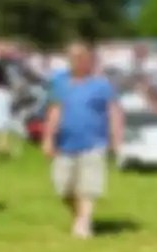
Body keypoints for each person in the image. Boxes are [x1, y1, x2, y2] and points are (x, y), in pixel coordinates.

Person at [42, 42, 123, 239]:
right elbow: (54, 111)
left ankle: (83, 222)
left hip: (93, 143)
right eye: (73, 58)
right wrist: (48, 138)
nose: (78, 62)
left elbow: (114, 112)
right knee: (64, 188)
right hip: (65, 144)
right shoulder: (59, 82)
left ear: (89, 61)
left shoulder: (101, 85)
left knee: (88, 186)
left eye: (82, 58)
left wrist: (116, 138)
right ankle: (80, 216)